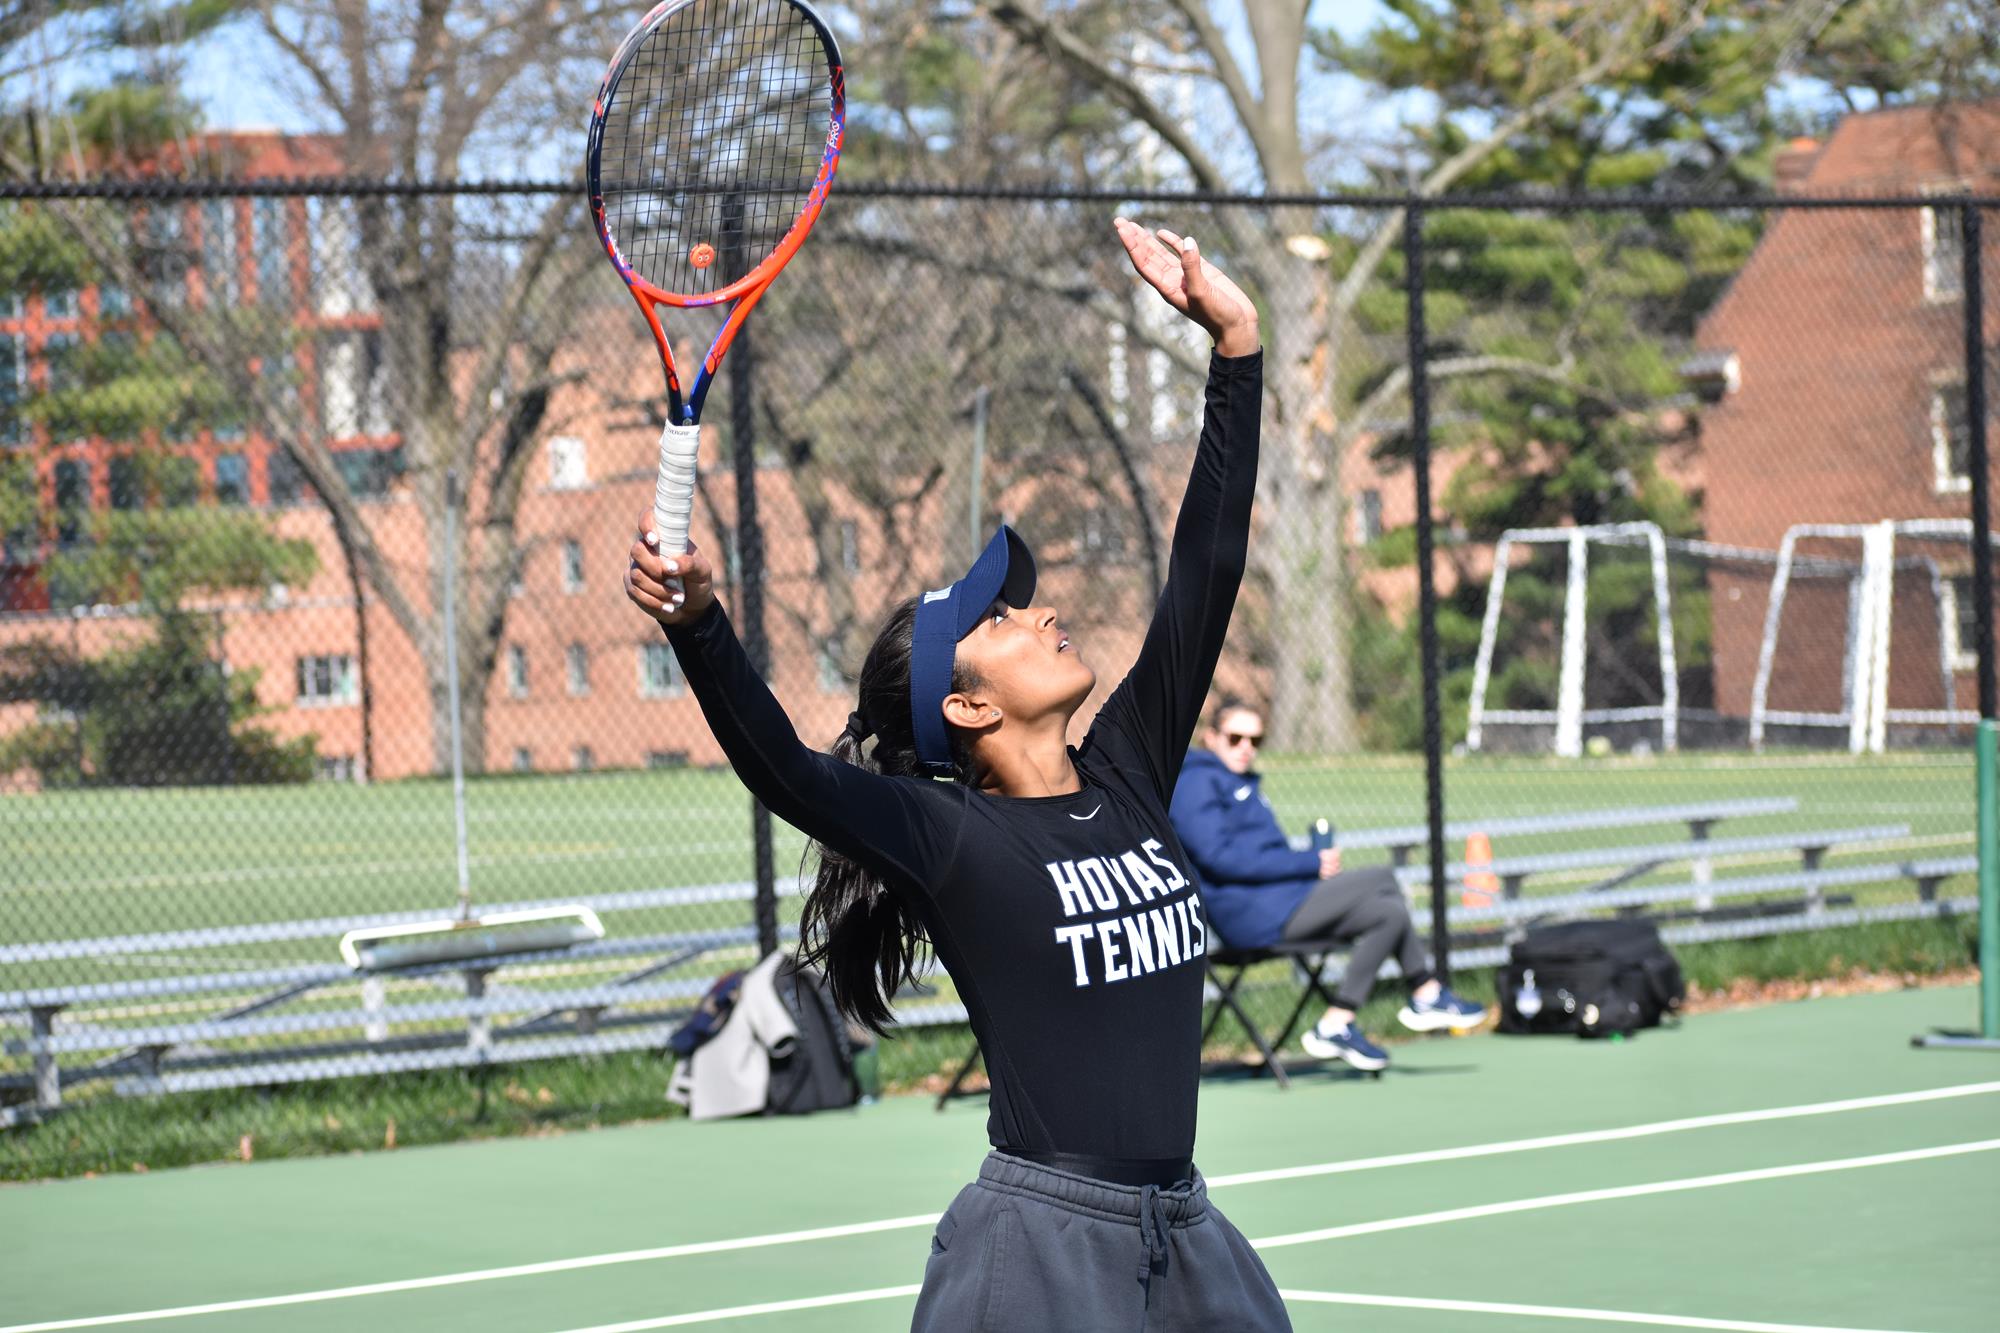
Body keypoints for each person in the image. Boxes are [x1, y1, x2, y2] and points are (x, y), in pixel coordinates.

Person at [626, 219, 1290, 1331]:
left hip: (1182, 1231)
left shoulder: (1123, 769)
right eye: (1001, 616)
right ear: (965, 705)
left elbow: (1204, 568)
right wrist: (698, 624)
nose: (1038, 611)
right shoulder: (951, 839)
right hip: (1039, 1248)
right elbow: (783, 766)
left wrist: (1235, 349)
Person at [1169, 700, 1485, 1071]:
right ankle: (1424, 991)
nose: (1246, 748)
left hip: (1281, 901)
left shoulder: (1241, 781)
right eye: (1236, 738)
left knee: (1389, 912)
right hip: (1250, 916)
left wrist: (1304, 865)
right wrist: (1309, 862)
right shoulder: (1196, 781)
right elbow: (1219, 857)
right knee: (1382, 878)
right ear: (1211, 737)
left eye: (1256, 740)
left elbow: (1257, 854)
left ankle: (1336, 1022)